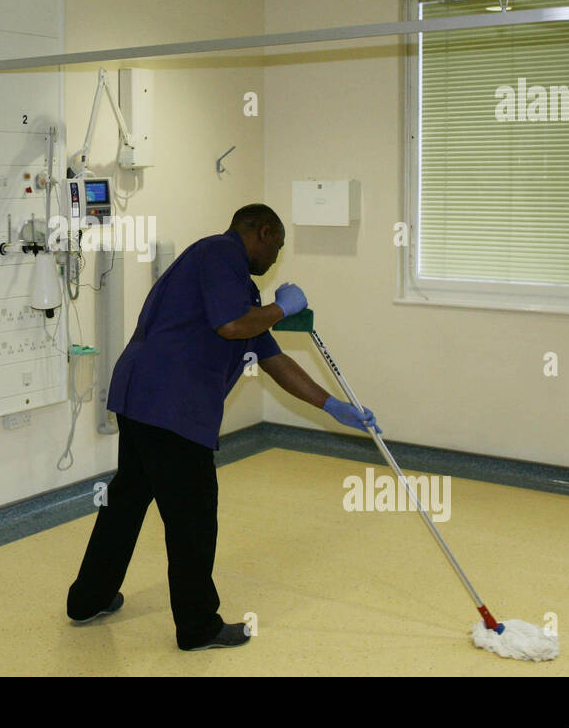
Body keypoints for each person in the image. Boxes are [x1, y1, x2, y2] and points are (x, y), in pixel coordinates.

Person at [66, 203, 379, 651]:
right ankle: (197, 627)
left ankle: (88, 598)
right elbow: (232, 327)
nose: (275, 260)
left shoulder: (237, 288)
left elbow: (272, 358)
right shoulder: (219, 254)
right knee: (192, 515)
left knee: (128, 498)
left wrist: (333, 406)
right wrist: (279, 307)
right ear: (263, 232)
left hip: (142, 395)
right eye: (277, 248)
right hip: (169, 405)